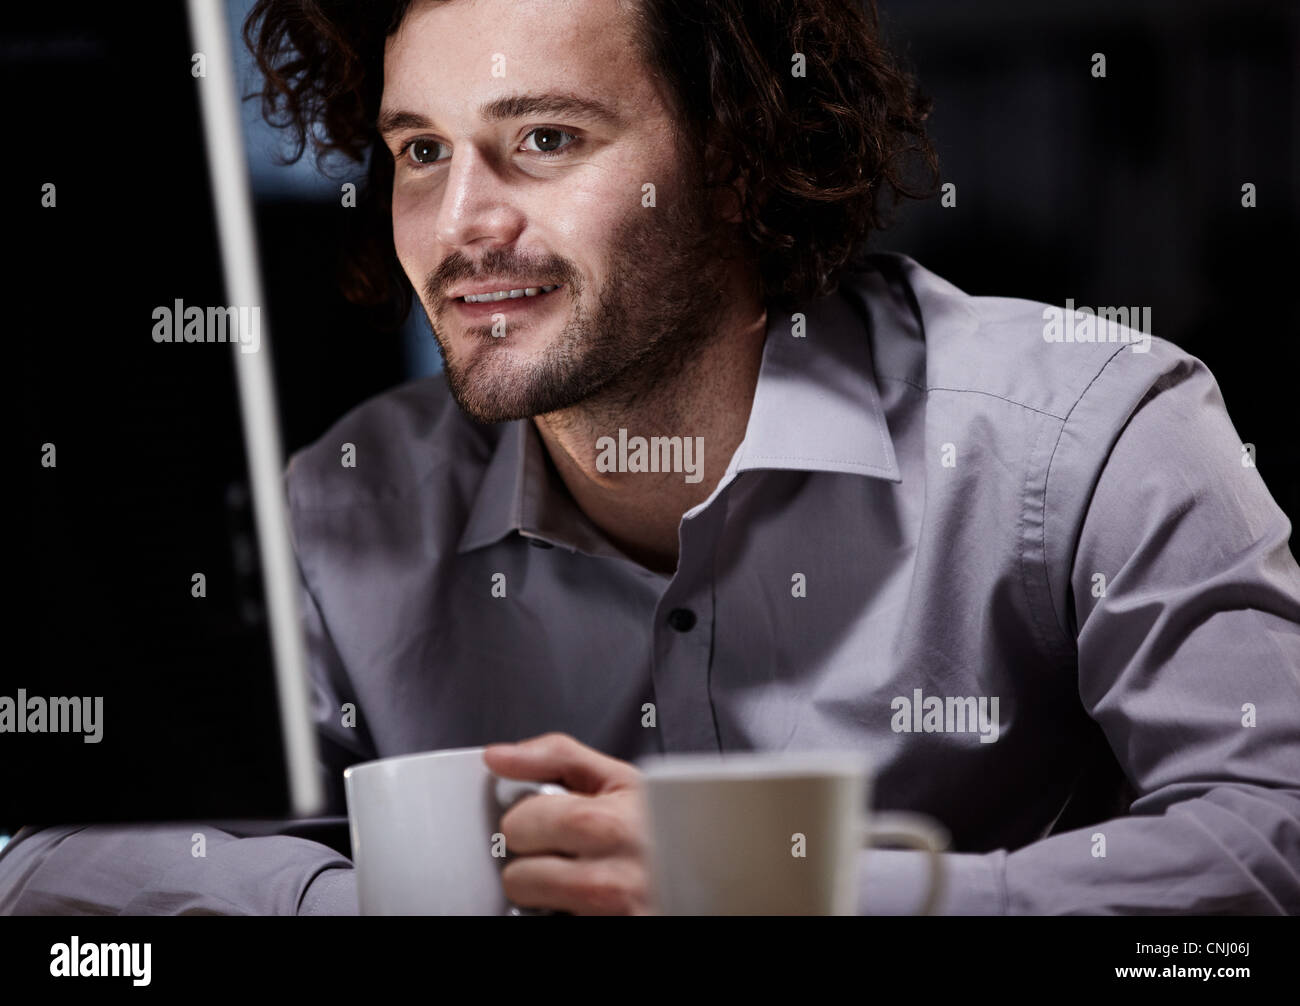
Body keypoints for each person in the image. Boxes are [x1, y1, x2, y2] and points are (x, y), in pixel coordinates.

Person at [3, 0, 1298, 916]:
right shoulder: (343, 511)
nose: (460, 225)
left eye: (547, 140)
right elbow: (51, 857)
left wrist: (799, 889)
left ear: (737, 159)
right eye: (419, 152)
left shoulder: (1091, 433)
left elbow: (1271, 834)